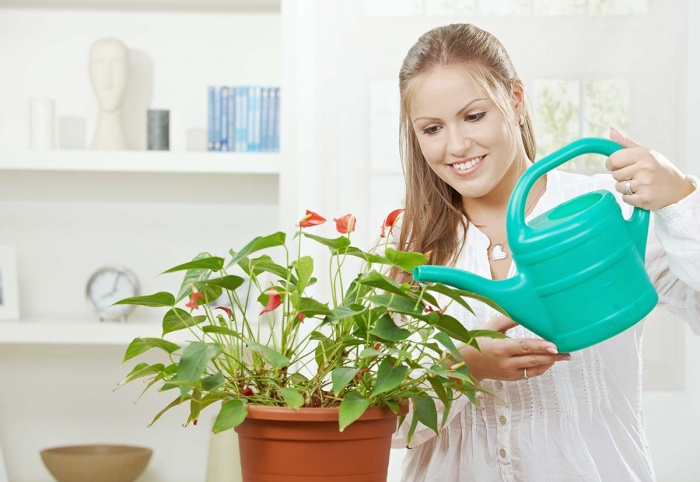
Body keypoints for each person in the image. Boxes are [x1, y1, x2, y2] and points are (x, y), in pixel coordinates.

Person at [389, 23, 700, 481]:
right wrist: (462, 367)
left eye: (473, 116)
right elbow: (388, 426)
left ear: (515, 100)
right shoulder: (408, 242)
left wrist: (681, 200)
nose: (455, 146)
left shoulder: (604, 210)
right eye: (432, 128)